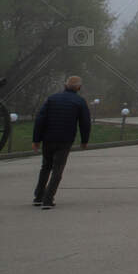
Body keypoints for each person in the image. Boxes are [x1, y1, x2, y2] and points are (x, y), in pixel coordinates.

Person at [32, 75, 92, 209]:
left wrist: (36, 139)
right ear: (79, 88)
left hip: (48, 138)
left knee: (45, 167)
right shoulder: (80, 101)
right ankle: (48, 200)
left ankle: (38, 197)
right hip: (65, 140)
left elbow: (40, 120)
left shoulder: (52, 99)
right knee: (57, 170)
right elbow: (85, 123)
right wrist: (84, 141)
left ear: (65, 86)